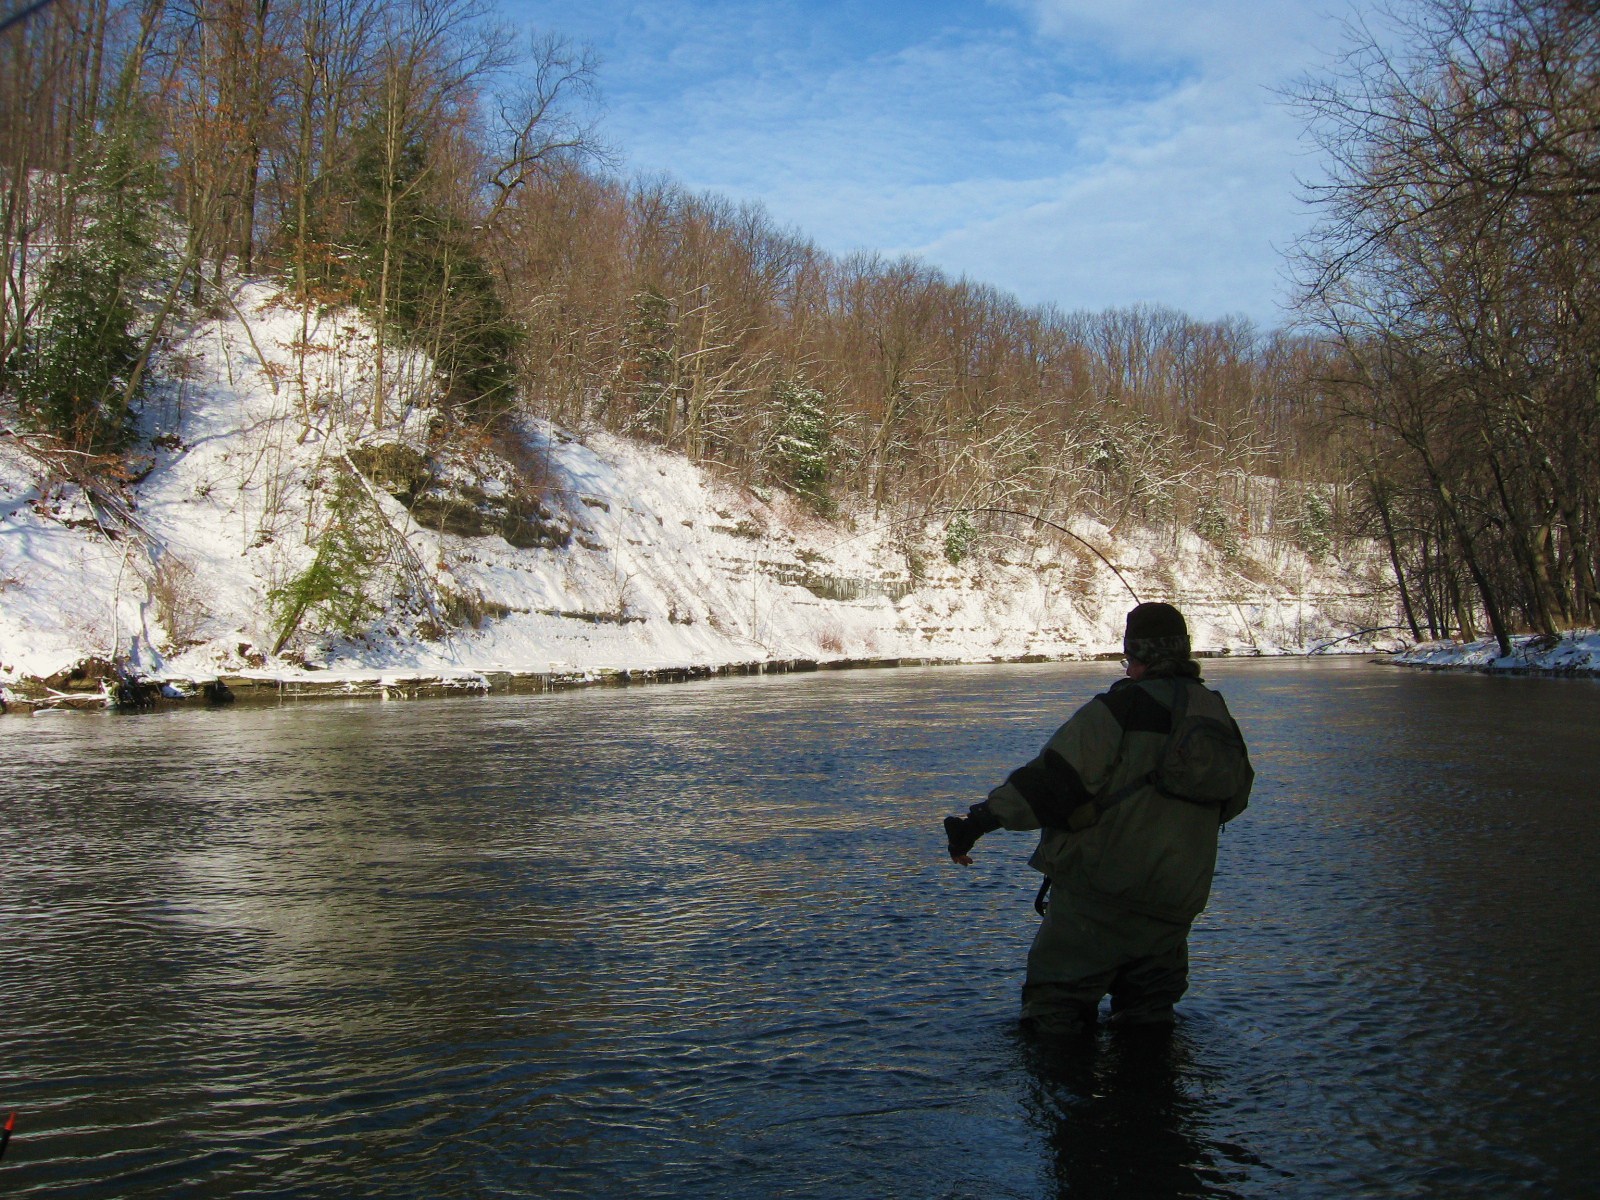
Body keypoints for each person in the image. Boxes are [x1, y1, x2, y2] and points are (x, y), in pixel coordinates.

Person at [944, 602, 1253, 1037]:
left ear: (1138, 656)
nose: (1127, 670)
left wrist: (975, 823)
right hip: (1175, 902)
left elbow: (1050, 784)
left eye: (1130, 660)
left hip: (1100, 896)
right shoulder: (1214, 711)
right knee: (1148, 1023)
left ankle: (1065, 1099)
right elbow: (1236, 799)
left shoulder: (1121, 708)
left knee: (1055, 1016)